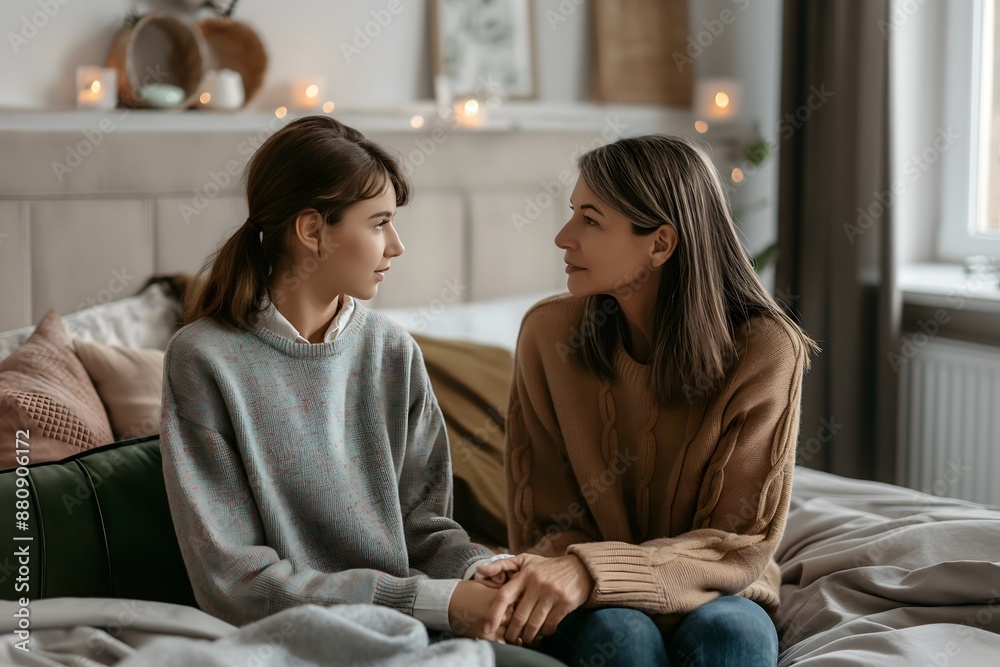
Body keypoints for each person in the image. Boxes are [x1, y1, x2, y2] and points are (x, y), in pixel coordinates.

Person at [159, 115, 560, 667]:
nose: (396, 245)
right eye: (378, 224)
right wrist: (434, 600)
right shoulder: (203, 359)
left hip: (418, 625)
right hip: (293, 643)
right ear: (312, 230)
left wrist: (475, 569)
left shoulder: (394, 352)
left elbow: (425, 529)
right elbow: (237, 582)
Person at [478, 134, 818, 666]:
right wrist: (589, 576)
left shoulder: (767, 351)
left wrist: (594, 569)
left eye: (590, 220)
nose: (563, 238)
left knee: (733, 636)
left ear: (659, 244)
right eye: (573, 215)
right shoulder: (548, 336)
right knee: (626, 638)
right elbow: (543, 522)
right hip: (585, 595)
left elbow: (734, 546)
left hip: (715, 593)